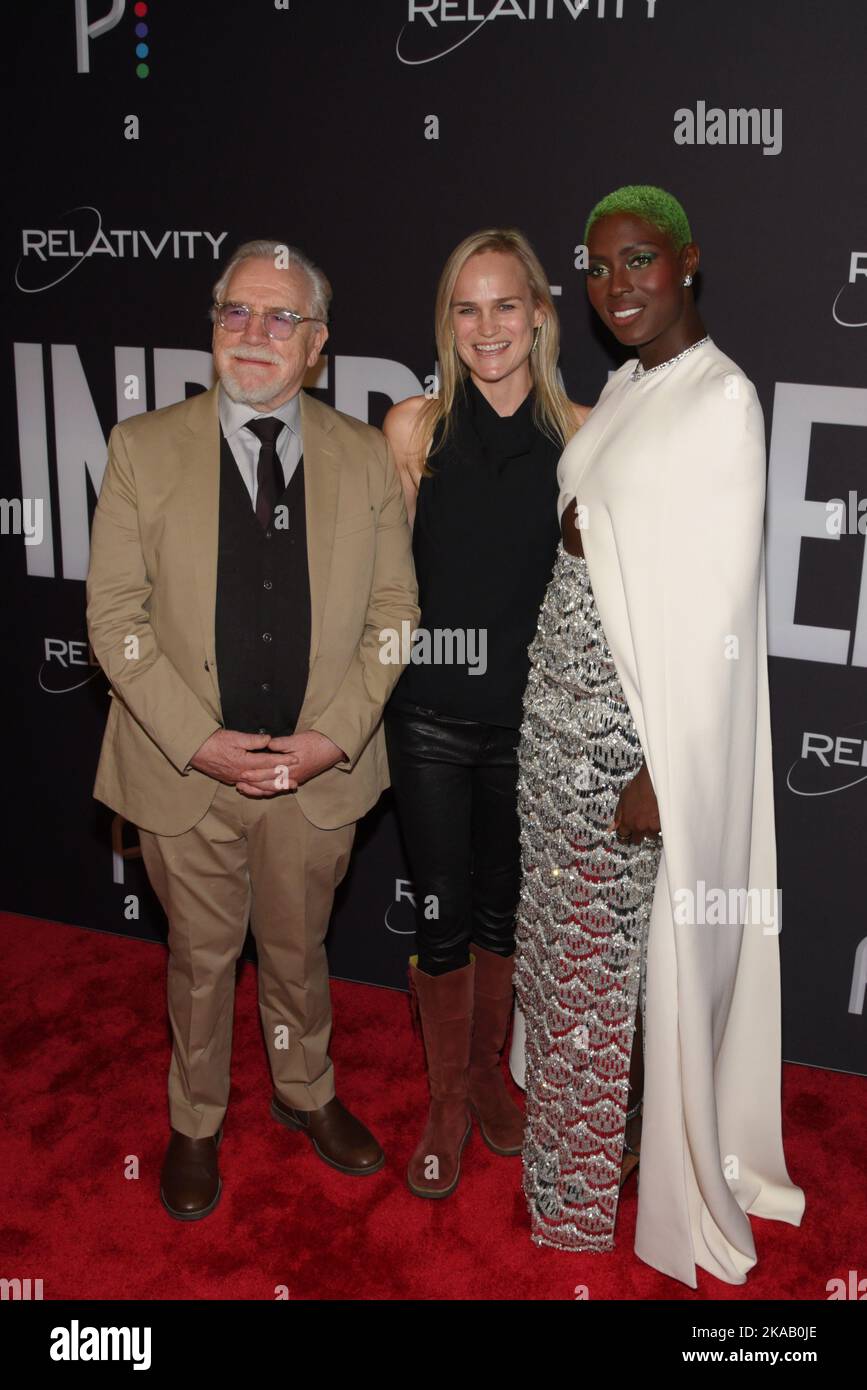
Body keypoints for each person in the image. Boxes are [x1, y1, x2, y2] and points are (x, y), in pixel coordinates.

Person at [86, 238, 419, 1220]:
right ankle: (194, 1120)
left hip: (315, 769)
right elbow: (115, 617)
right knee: (197, 957)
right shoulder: (142, 449)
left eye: (281, 318)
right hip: (184, 767)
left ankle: (304, 1091)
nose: (255, 334)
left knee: (297, 945)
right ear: (212, 330)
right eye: (236, 312)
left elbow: (397, 612)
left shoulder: (363, 456)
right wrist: (198, 739)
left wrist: (336, 736)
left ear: (318, 345)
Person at [513, 185, 805, 1286]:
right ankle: (574, 1159)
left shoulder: (722, 399)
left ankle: (576, 1206)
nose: (616, 285)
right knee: (569, 961)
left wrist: (658, 766)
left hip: (624, 740)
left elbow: (722, 607)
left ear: (689, 262)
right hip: (558, 718)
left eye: (638, 261)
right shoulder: (631, 382)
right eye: (596, 266)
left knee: (594, 975)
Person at [382, 229, 588, 1199]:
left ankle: (485, 1083)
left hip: (529, 722)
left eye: (506, 304)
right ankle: (445, 1102)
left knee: (505, 910)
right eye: (467, 308)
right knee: (439, 912)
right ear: (447, 322)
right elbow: (387, 588)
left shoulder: (586, 436)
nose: (487, 326)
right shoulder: (413, 428)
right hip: (426, 712)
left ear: (541, 313)